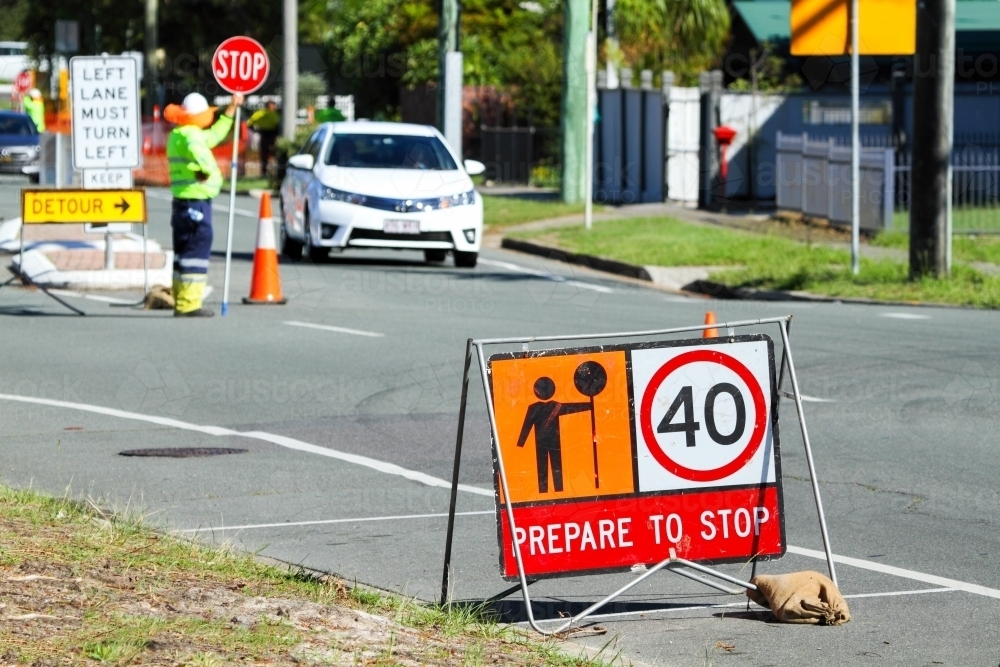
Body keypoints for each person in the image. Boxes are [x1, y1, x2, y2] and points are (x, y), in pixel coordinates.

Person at [163, 92, 243, 317]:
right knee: (196, 250)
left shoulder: (178, 134)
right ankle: (189, 304)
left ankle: (181, 301)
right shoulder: (190, 136)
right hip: (195, 201)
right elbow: (200, 152)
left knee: (183, 252)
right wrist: (207, 171)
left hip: (183, 201)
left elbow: (214, 136)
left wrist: (231, 109)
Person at [516, 376, 593, 493]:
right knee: (556, 467)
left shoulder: (534, 407)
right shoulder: (556, 406)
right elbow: (573, 407)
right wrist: (590, 405)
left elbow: (527, 425)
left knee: (545, 467)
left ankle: (545, 490)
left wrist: (521, 443)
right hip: (553, 441)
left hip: (542, 442)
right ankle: (558, 489)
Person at [246, 100, 280, 177]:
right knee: (266, 153)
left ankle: (270, 170)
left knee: (269, 153)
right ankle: (265, 171)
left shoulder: (261, 113)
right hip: (267, 134)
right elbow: (249, 123)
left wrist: (254, 130)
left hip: (268, 134)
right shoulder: (267, 114)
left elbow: (249, 123)